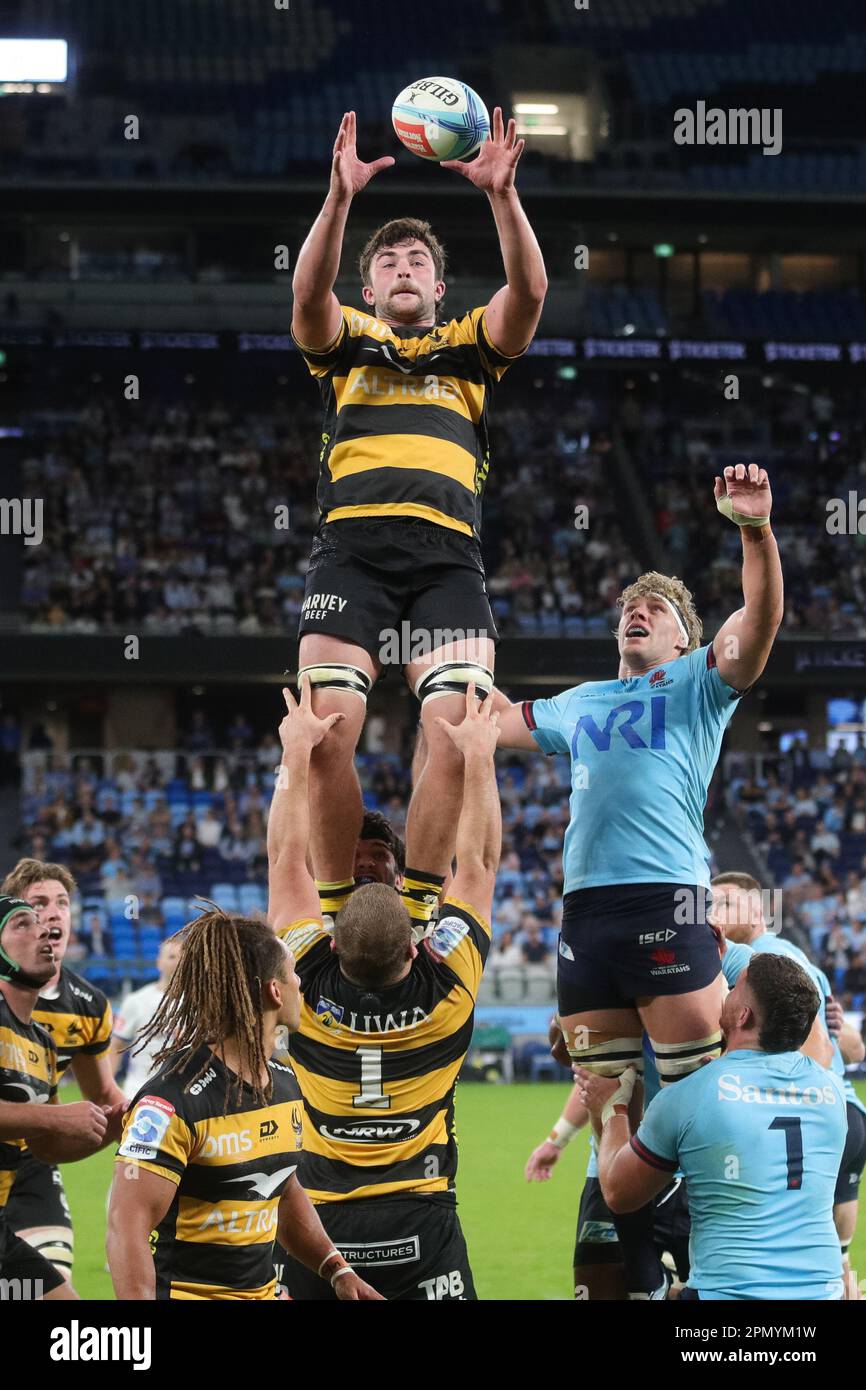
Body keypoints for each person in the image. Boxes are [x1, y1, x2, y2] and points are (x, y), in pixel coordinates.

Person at [489, 464, 783, 1296]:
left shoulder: (694, 685)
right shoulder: (579, 702)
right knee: (613, 1109)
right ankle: (649, 1280)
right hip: (583, 916)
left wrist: (754, 531)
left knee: (694, 1106)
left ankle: (722, 1271)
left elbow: (757, 625)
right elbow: (485, 723)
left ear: (683, 640)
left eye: (654, 609)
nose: (636, 611)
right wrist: (441, 666)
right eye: (628, 606)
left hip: (665, 898)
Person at [290, 107, 545, 938]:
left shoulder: (470, 348)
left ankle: (422, 910)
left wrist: (503, 197)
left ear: (439, 289)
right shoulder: (347, 342)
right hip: (352, 554)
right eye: (390, 261)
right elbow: (307, 295)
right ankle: (338, 921)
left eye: (419, 262)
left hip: (447, 563)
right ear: (371, 291)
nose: (404, 268)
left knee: (459, 728)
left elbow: (532, 292)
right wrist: (337, 203)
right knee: (326, 730)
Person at [267, 679, 500, 1300]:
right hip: (422, 1219)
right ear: (415, 945)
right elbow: (476, 866)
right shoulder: (448, 995)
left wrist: (296, 753)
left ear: (333, 940)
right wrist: (479, 756)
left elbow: (287, 862)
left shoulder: (303, 989)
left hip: (320, 1226)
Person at [106, 907, 381, 1301]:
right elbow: (125, 1227)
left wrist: (337, 1269)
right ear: (274, 990)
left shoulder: (285, 1084)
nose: (300, 982)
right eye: (293, 973)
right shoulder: (170, 1103)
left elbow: (281, 1189)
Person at [577, 952, 848, 1300]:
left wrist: (610, 1109)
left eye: (734, 987)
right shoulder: (831, 1091)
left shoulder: (693, 1093)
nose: (726, 990)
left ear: (744, 1015)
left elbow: (618, 1193)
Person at [525, 927, 755, 1299]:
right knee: (600, 1289)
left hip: (689, 1170)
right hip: (611, 1157)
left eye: (728, 904)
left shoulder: (735, 967)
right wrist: (558, 1137)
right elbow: (600, 1078)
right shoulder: (612, 957)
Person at [713, 869, 866, 1299]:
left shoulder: (764, 962)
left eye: (725, 902)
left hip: (805, 1114)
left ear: (759, 910)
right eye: (710, 903)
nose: (713, 912)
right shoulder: (787, 957)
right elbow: (846, 1048)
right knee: (831, 1263)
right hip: (841, 1111)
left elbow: (817, 1053)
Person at [2, 858, 125, 1283]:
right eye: (37, 905)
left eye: (62, 903)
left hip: (31, 1165)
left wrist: (145, 1119)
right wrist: (56, 1117)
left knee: (52, 1286)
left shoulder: (84, 1008)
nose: (52, 914)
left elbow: (101, 1098)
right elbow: (56, 1116)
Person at [112, 937, 182, 1102]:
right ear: (159, 963)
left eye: (183, 957)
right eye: (172, 956)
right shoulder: (136, 1001)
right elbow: (116, 1046)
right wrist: (108, 1091)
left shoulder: (200, 1003)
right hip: (139, 1092)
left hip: (184, 1095)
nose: (178, 961)